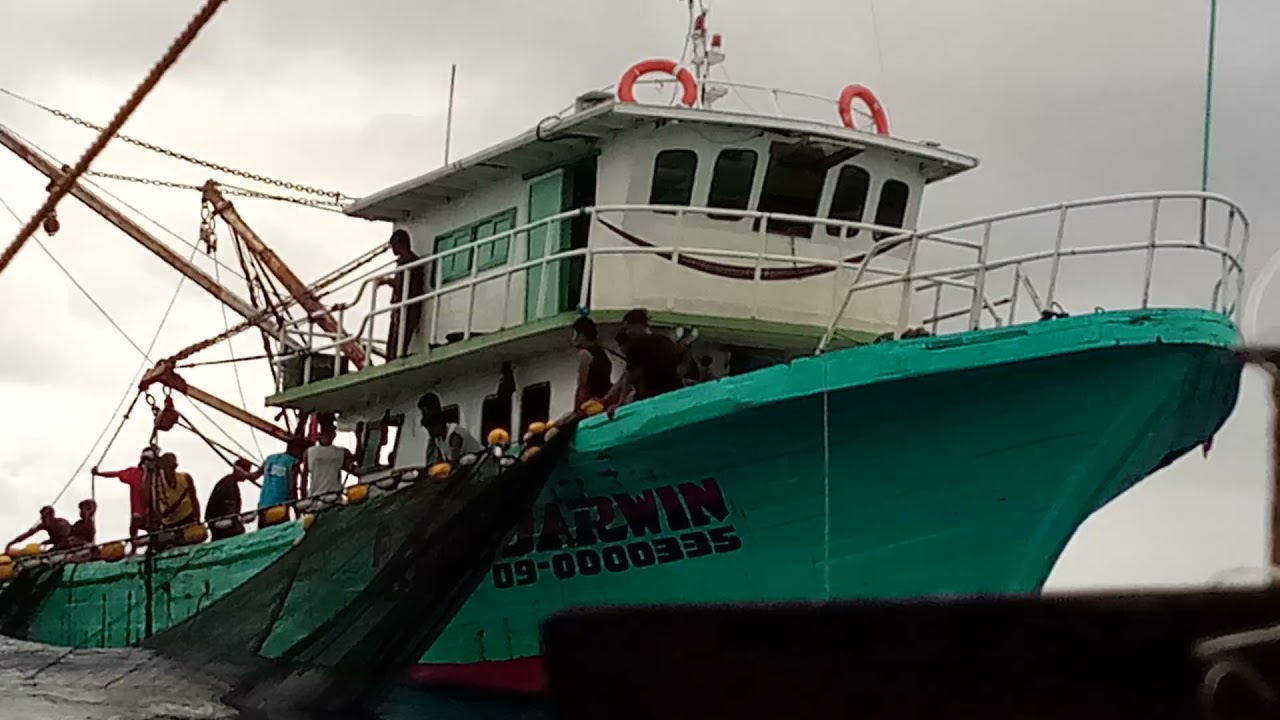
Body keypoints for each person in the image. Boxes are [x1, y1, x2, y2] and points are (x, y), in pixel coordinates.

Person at [602, 309, 684, 412]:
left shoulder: (637, 345)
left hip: (650, 397)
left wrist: (620, 403)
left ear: (636, 326)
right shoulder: (665, 341)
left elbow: (629, 376)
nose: (627, 332)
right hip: (673, 393)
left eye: (628, 328)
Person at [380, 229, 427, 360]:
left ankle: (395, 359)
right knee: (393, 345)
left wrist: (387, 281)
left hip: (407, 308)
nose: (392, 250)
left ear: (400, 244)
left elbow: (406, 286)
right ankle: (392, 359)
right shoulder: (405, 262)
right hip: (400, 308)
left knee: (398, 343)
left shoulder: (410, 262)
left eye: (394, 246)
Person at [92, 448, 153, 545]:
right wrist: (99, 473)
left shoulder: (157, 475)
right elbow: (116, 474)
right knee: (135, 527)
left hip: (153, 512)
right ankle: (134, 548)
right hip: (139, 512)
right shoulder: (134, 473)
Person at [419, 392, 483, 465]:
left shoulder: (454, 435)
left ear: (438, 424)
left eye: (431, 430)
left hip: (480, 462)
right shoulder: (437, 439)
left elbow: (454, 462)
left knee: (465, 460)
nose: (430, 433)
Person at [206, 459, 261, 541]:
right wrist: (239, 520)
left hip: (219, 524)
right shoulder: (229, 486)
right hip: (223, 528)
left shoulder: (227, 482)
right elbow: (229, 510)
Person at [571, 316, 614, 411]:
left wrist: (577, 410)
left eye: (574, 334)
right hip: (604, 401)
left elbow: (583, 386)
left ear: (581, 336)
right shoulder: (602, 353)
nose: (573, 339)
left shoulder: (585, 354)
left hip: (592, 405)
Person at [259, 440, 304, 526]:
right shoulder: (293, 462)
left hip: (263, 506)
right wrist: (296, 509)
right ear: (297, 450)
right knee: (280, 533)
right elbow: (292, 487)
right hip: (280, 506)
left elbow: (254, 475)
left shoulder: (270, 459)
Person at [154, 452, 201, 534]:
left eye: (173, 466)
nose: (171, 469)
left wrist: (197, 521)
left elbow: (194, 499)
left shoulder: (185, 477)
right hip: (168, 522)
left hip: (187, 517)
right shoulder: (156, 482)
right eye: (168, 466)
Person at [305, 427, 353, 498]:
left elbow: (353, 465)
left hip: (333, 496)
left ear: (333, 435)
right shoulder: (309, 452)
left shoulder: (342, 452)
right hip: (316, 497)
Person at [8, 506, 73, 552]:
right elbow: (28, 534)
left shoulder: (61, 523)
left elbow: (65, 540)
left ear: (50, 515)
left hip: (69, 546)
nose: (42, 519)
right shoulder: (44, 524)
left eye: (44, 517)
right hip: (58, 547)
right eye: (41, 517)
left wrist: (50, 544)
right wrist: (11, 543)